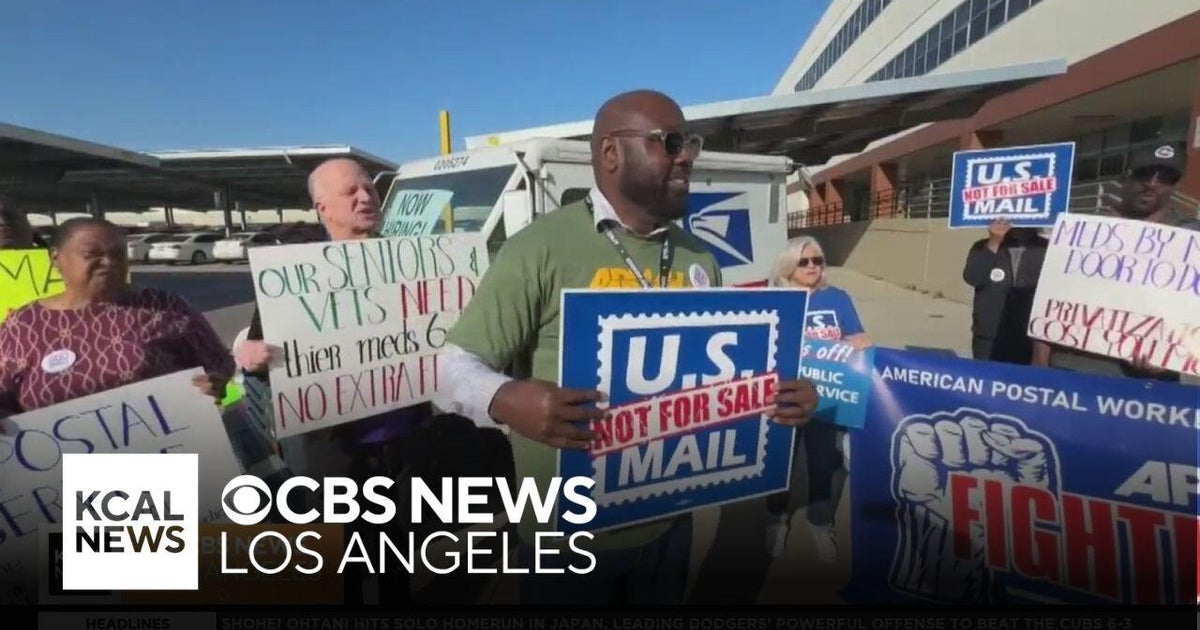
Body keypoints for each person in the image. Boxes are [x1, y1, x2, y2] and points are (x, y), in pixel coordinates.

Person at [434, 89, 820, 605]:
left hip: (670, 524)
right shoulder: (538, 248)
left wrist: (781, 398)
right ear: (611, 152)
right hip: (566, 539)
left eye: (690, 144)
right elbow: (451, 369)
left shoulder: (699, 257)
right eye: (670, 142)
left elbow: (719, 380)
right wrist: (506, 399)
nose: (687, 157)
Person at [233, 157, 422, 605]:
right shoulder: (293, 274)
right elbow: (258, 350)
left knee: (397, 546)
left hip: (402, 431)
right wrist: (249, 356)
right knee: (340, 551)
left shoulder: (410, 260)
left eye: (369, 189)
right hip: (328, 440)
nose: (365, 197)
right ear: (323, 208)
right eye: (350, 192)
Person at [0, 217, 232, 415]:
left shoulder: (164, 306)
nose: (108, 262)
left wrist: (216, 384)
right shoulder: (21, 325)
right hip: (55, 454)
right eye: (91, 254)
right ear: (55, 258)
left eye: (118, 254)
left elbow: (220, 364)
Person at [1035, 143, 1198, 380]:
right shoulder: (1083, 232)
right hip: (1073, 366)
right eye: (1144, 174)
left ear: (1176, 185)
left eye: (1166, 178)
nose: (1152, 184)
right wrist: (1039, 364)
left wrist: (1172, 357)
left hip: (1146, 378)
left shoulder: (1191, 239)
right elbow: (1050, 299)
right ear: (1125, 179)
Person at [763, 235, 868, 561]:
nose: (812, 267)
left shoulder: (838, 298)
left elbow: (860, 339)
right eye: (804, 261)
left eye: (817, 260)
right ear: (788, 265)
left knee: (825, 463)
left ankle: (821, 523)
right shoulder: (774, 298)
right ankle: (777, 519)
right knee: (780, 463)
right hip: (784, 397)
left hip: (828, 397)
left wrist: (857, 345)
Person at [962, 219, 1048, 365]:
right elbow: (973, 277)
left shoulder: (1046, 249)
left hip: (1028, 336)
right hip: (989, 335)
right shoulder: (982, 247)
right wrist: (994, 242)